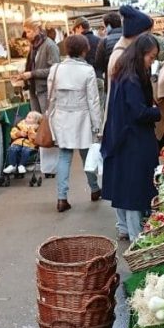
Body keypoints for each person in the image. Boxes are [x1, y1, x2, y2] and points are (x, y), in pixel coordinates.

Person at [102, 34, 162, 241]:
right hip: (133, 139)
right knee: (134, 190)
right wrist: (157, 112)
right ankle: (137, 238)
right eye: (150, 57)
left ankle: (126, 229)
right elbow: (138, 112)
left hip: (122, 137)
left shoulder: (123, 73)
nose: (151, 62)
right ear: (140, 54)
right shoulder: (132, 79)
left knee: (125, 187)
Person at [47, 35, 103, 213]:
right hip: (82, 117)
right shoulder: (87, 71)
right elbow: (93, 100)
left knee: (64, 156)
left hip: (61, 117)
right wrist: (97, 125)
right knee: (87, 155)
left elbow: (51, 97)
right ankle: (94, 189)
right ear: (84, 50)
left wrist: (51, 118)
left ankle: (61, 198)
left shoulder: (56, 69)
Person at [16, 20, 60, 115]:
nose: (26, 35)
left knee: (47, 120)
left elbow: (55, 70)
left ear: (36, 30)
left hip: (46, 91)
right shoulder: (34, 46)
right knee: (36, 120)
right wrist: (24, 75)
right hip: (34, 89)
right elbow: (32, 65)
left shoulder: (50, 45)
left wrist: (32, 74)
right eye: (26, 32)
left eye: (29, 31)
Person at [107, 5, 155, 77]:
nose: (148, 37)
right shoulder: (122, 57)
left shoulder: (127, 51)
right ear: (137, 33)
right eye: (146, 34)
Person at [95, 12, 123, 79]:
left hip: (112, 78)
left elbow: (99, 64)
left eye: (104, 27)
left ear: (108, 26)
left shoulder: (104, 41)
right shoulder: (130, 38)